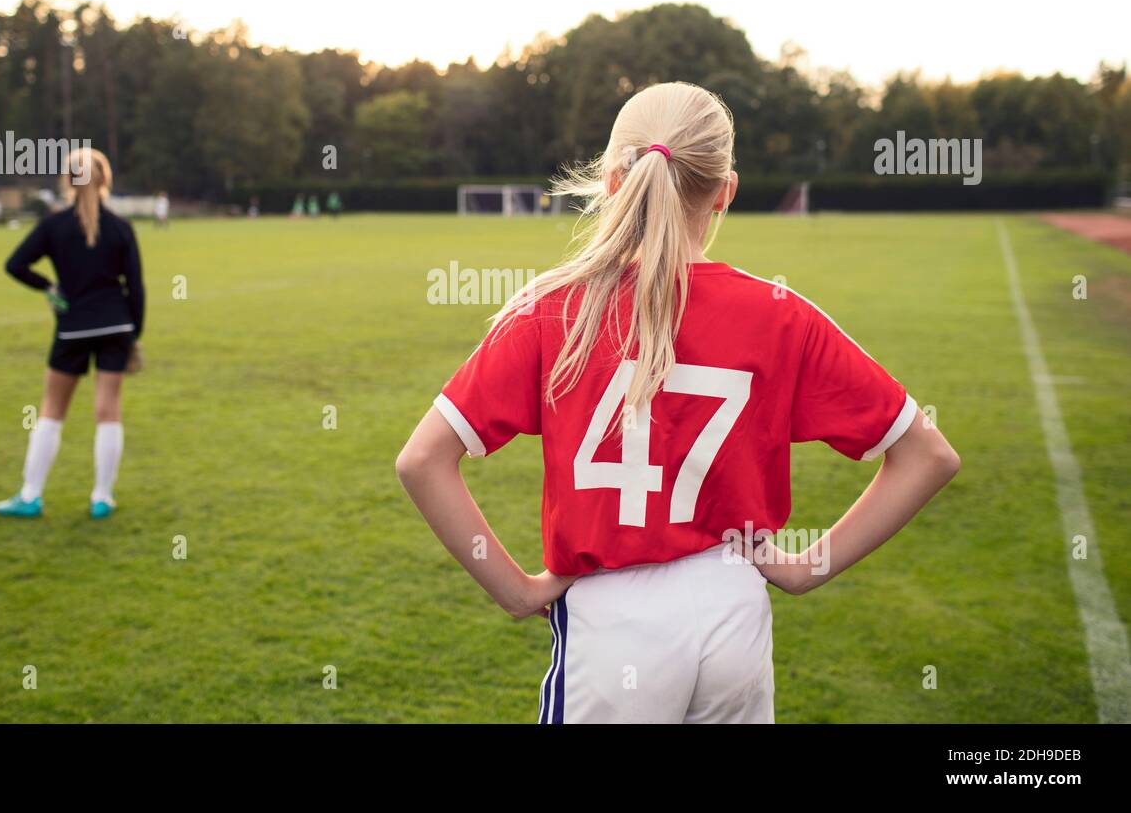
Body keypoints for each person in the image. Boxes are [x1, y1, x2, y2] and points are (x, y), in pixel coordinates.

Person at [395, 81, 960, 724]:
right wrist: (806, 568)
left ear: (612, 181)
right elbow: (928, 456)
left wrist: (518, 593)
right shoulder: (780, 315)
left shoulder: (553, 312)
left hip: (613, 622)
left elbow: (422, 461)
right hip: (733, 610)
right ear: (727, 190)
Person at [0, 148, 145, 520]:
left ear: (67, 182)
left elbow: (15, 265)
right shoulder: (121, 228)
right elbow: (137, 287)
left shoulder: (53, 225)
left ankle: (31, 495)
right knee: (108, 412)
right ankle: (102, 497)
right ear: (105, 180)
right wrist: (134, 335)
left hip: (73, 327)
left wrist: (48, 287)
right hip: (115, 326)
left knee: (51, 411)